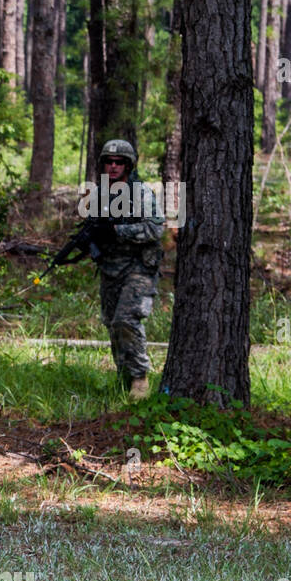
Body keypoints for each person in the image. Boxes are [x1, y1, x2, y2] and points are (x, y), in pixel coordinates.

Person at [83, 138, 165, 400]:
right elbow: (93, 229)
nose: (113, 166)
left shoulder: (141, 193)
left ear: (128, 166)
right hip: (110, 268)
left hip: (139, 267)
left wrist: (117, 230)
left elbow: (155, 229)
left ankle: (140, 377)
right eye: (109, 161)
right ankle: (123, 376)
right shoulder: (99, 195)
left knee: (126, 320)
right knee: (111, 324)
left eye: (119, 162)